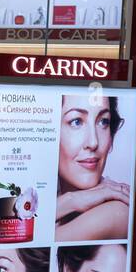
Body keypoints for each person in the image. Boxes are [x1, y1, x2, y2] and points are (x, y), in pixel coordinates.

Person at [55, 94, 129, 242]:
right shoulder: (31, 198)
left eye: (103, 121)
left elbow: (30, 249)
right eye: (76, 121)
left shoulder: (116, 213)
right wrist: (70, 201)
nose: (93, 142)